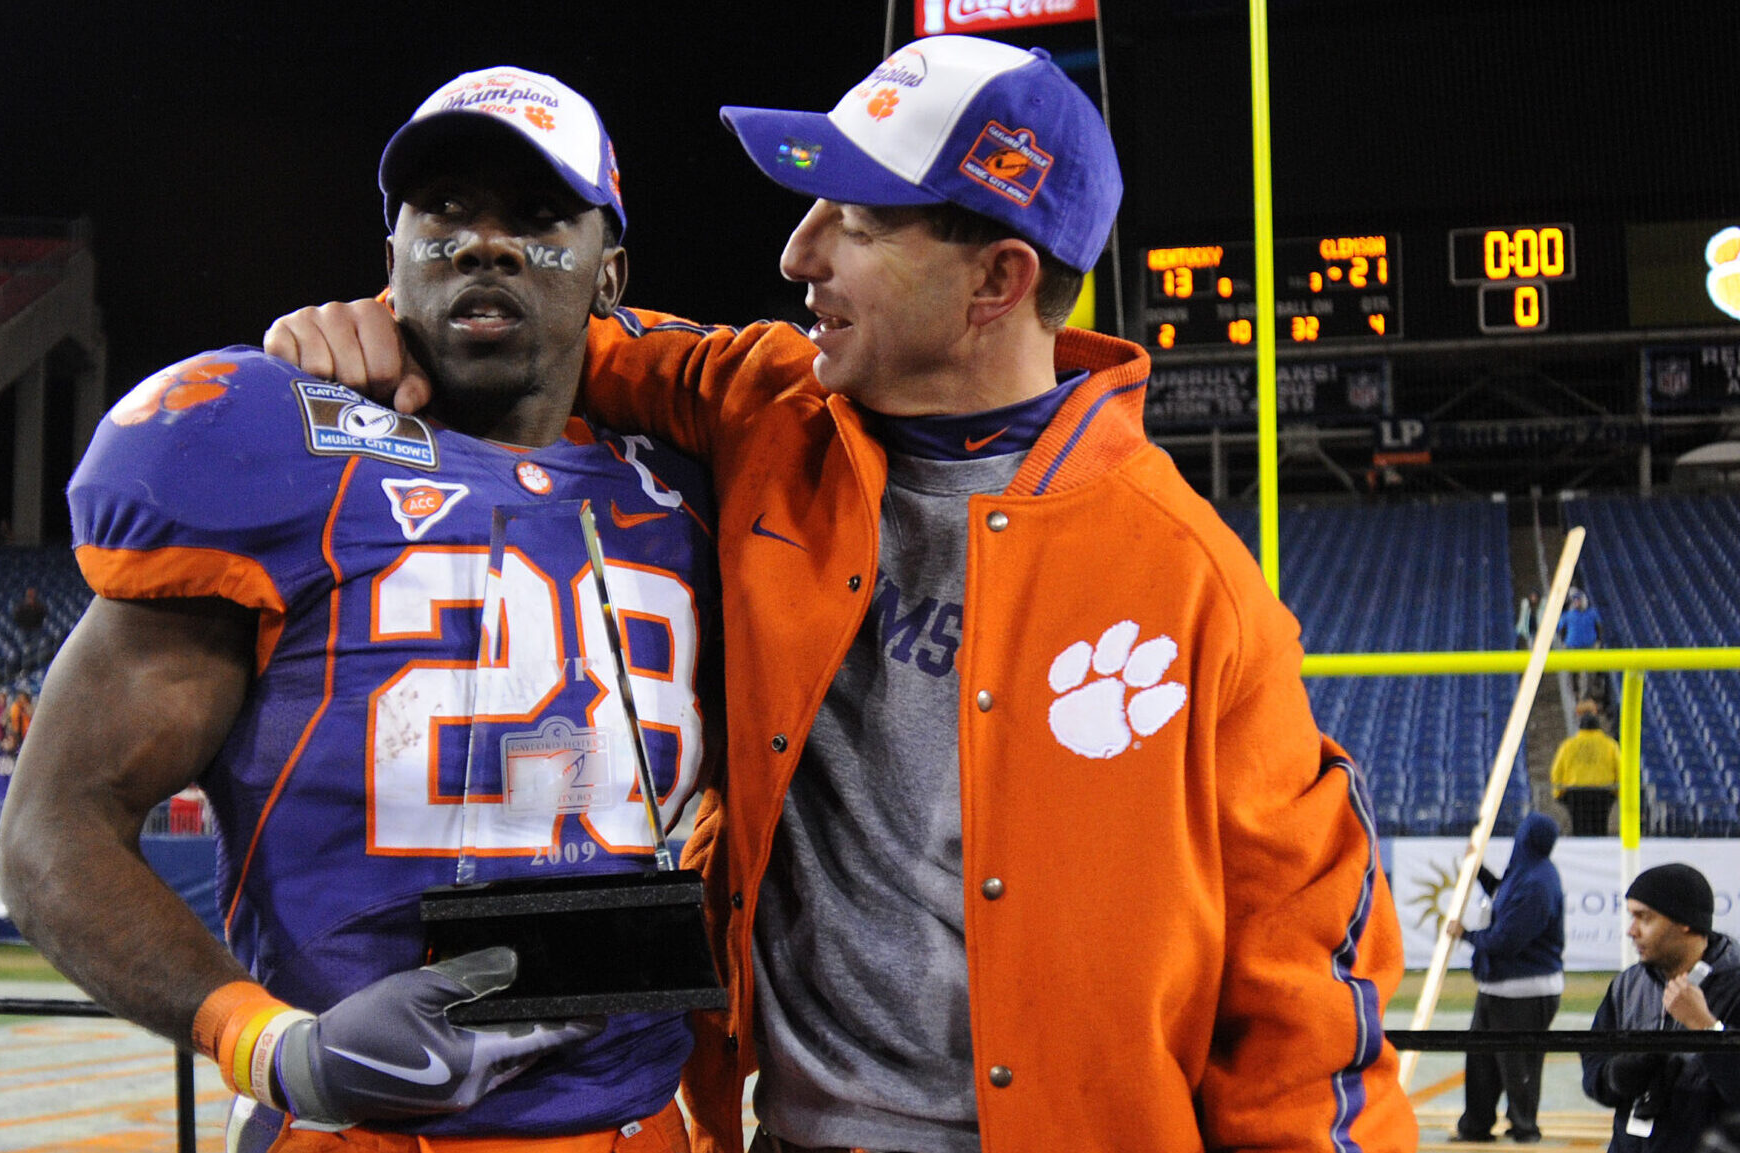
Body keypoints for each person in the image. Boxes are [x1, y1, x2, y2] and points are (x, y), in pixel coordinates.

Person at [266, 36, 1414, 1152]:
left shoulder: (1191, 580)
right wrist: (381, 324)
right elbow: (560, 341)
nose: (796, 252)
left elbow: (1303, 982)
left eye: (853, 224)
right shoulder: (762, 406)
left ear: (996, 282)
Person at [0, 66, 717, 1153]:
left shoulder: (705, 484)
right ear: (390, 258)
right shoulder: (272, 449)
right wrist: (274, 1047)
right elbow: (55, 822)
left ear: (608, 273)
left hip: (637, 1125)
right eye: (442, 214)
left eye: (536, 218)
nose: (483, 244)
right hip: (350, 1134)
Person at [1583, 863, 1740, 1152]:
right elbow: (1593, 1068)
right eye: (1632, 916)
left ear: (1684, 921)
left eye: (1645, 917)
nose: (1632, 931)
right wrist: (1616, 1075)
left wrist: (1707, 1028)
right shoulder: (1628, 985)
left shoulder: (1735, 985)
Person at [1448, 812, 1565, 1143]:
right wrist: (1478, 872)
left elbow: (1506, 940)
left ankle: (1524, 1129)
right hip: (1498, 987)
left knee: (1518, 1066)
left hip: (1525, 992)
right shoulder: (1525, 873)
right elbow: (1503, 895)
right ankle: (1476, 1125)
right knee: (1481, 1061)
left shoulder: (1538, 883)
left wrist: (1466, 935)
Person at [1554, 699, 1623, 835]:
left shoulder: (1568, 746)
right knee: (1600, 829)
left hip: (1575, 793)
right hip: (1602, 793)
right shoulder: (1610, 745)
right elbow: (1620, 770)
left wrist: (1559, 793)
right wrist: (1616, 793)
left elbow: (1557, 771)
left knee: (1578, 829)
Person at [12, 587, 49, 670]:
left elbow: (44, 613)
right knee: (25, 650)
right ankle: (26, 667)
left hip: (36, 629)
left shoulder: (38, 605)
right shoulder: (22, 606)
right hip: (24, 630)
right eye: (29, 595)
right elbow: (16, 616)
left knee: (36, 648)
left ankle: (37, 665)